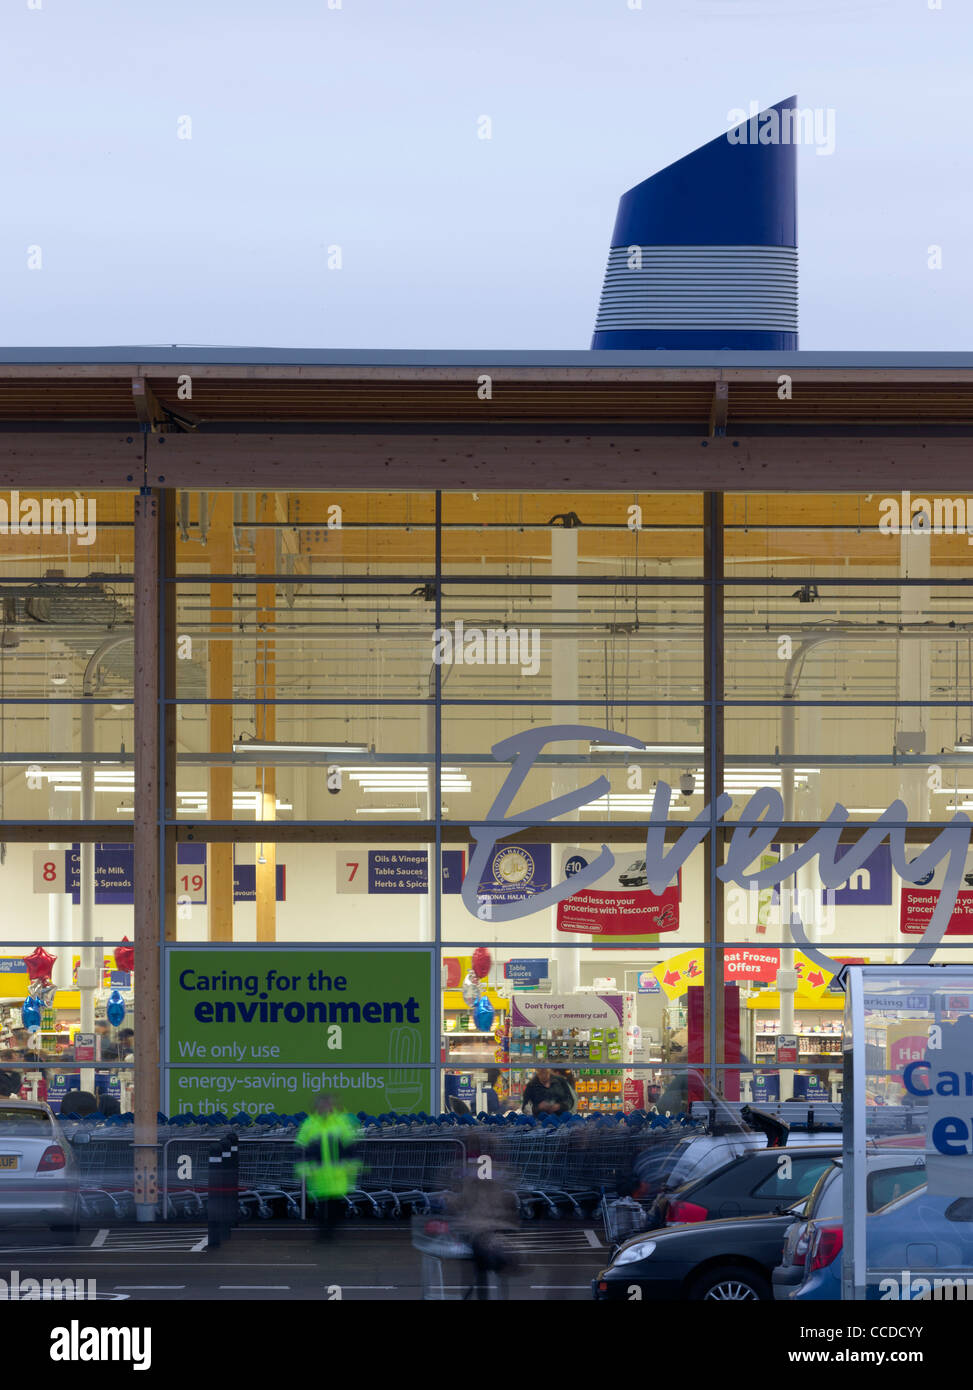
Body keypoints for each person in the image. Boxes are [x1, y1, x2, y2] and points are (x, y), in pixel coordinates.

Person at [294, 1094, 361, 1242]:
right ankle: (324, 1233)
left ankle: (329, 1231)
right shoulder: (310, 1123)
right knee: (324, 1205)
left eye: (328, 1105)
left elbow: (349, 1144)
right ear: (317, 1107)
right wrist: (304, 1165)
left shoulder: (340, 1122)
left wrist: (351, 1163)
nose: (326, 1108)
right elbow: (301, 1146)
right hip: (319, 1172)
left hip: (337, 1172)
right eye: (323, 1105)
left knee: (335, 1205)